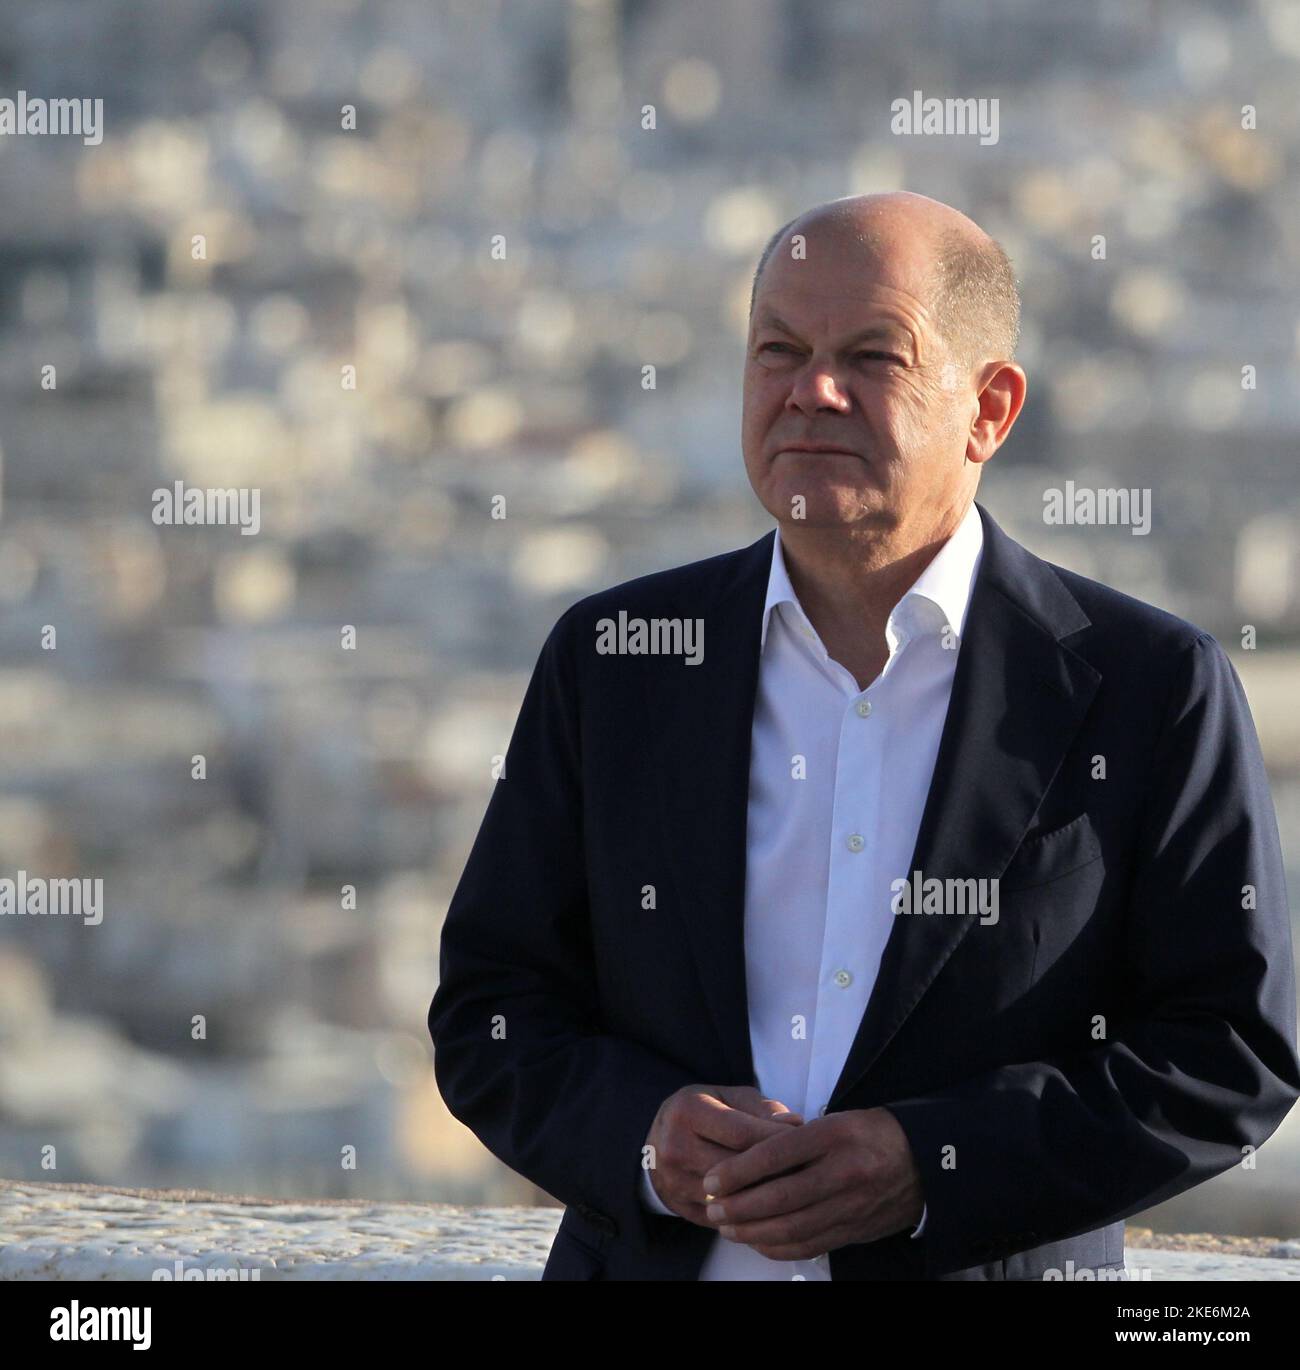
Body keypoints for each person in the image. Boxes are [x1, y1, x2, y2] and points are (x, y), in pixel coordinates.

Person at [428, 192, 1300, 1280]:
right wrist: (645, 1135)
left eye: (871, 356)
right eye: (777, 350)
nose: (810, 391)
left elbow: (1229, 1052)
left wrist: (931, 1162)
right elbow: (490, 1011)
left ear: (989, 407)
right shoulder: (616, 660)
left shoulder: (1145, 687)